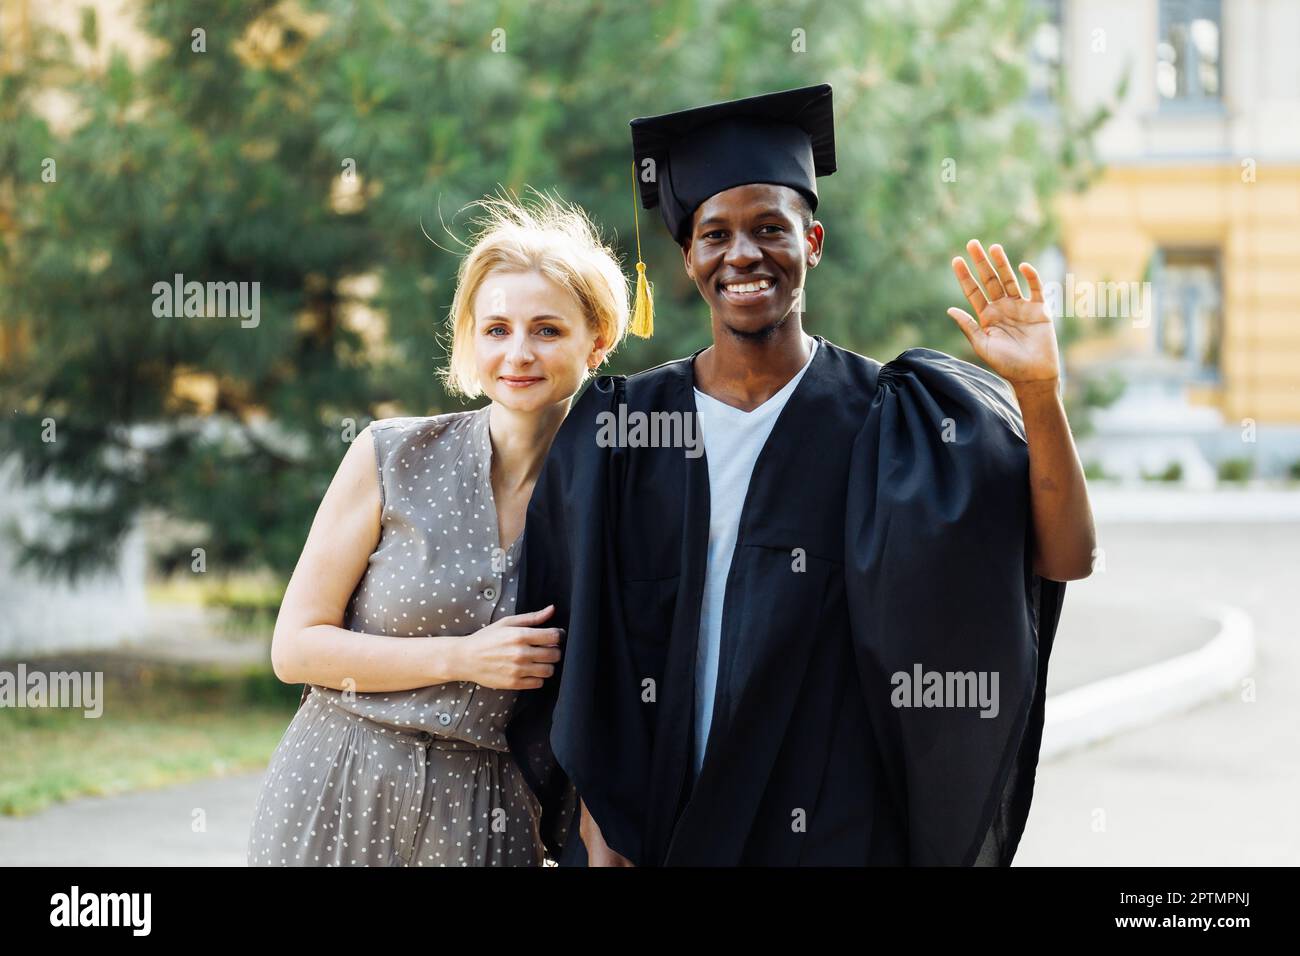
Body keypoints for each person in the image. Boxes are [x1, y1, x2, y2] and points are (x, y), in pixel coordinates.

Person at [507, 84, 1097, 866]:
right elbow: (581, 648)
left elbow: (1067, 557)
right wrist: (601, 829)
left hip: (835, 825)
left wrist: (1038, 394)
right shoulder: (621, 428)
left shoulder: (899, 421)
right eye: (714, 233)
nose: (743, 254)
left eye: (769, 228)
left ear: (811, 240)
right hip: (663, 823)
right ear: (688, 257)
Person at [246, 191, 629, 865]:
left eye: (547, 330)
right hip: (337, 781)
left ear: (596, 343)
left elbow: (615, 693)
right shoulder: (388, 455)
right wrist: (461, 657)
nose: (519, 353)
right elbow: (295, 649)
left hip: (485, 816)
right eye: (496, 329)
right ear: (468, 340)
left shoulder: (615, 498)